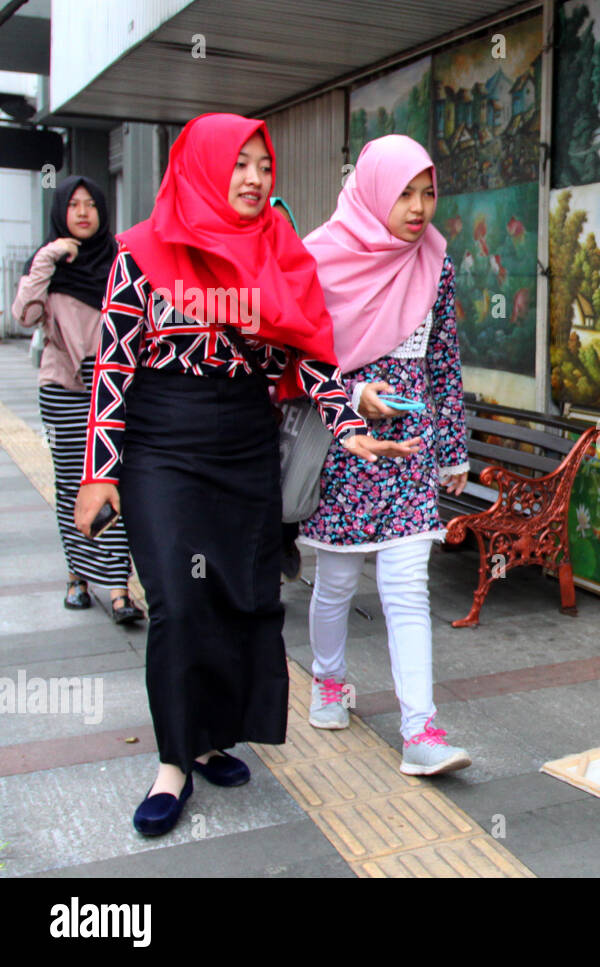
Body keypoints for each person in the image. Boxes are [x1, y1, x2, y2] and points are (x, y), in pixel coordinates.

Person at [73, 113, 420, 837]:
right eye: (239, 164)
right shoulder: (141, 249)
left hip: (244, 438)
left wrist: (350, 419)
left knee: (235, 593)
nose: (256, 178)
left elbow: (310, 352)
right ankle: (173, 760)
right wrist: (99, 472)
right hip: (162, 443)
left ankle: (209, 736)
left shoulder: (280, 248)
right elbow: (113, 363)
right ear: (202, 167)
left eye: (264, 165)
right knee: (175, 598)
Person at [299, 134, 470, 776]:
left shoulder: (437, 264)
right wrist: (351, 398)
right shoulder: (319, 259)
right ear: (373, 190)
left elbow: (444, 365)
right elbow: (297, 360)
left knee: (406, 588)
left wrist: (451, 447)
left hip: (410, 454)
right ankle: (329, 679)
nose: (419, 207)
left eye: (428, 192)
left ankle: (420, 730)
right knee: (337, 582)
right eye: (404, 192)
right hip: (343, 449)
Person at [11, 176, 141, 623]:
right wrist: (48, 257)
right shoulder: (49, 266)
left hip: (112, 392)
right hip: (64, 391)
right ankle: (77, 577)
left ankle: (120, 587)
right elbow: (23, 314)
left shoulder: (120, 261)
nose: (83, 212)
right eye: (73, 205)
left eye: (91, 204)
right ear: (60, 213)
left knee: (113, 485)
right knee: (71, 484)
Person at [269, 194, 305, 583]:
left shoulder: (303, 275)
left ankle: (285, 537)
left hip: (295, 397)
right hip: (254, 404)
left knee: (291, 471)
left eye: (285, 225)